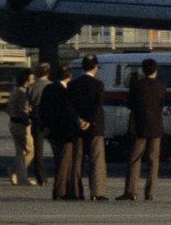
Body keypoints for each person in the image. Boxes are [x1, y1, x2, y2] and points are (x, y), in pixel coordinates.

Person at [121, 58, 165, 201]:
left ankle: (131, 191)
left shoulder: (136, 86)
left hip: (139, 126)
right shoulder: (161, 87)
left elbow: (130, 104)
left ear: (143, 70)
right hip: (156, 127)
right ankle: (150, 192)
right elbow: (161, 106)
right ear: (155, 71)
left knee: (135, 159)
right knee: (153, 161)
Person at [67, 55, 109, 201]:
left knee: (77, 161)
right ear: (95, 67)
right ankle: (97, 193)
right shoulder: (99, 85)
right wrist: (89, 121)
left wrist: (79, 120)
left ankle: (76, 192)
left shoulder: (73, 85)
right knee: (96, 161)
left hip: (77, 128)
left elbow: (70, 106)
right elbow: (98, 106)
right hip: (95, 128)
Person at [39, 63, 82, 201]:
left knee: (60, 159)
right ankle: (60, 191)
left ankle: (64, 188)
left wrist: (45, 126)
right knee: (65, 161)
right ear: (69, 76)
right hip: (65, 131)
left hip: (51, 131)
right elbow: (67, 112)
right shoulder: (67, 91)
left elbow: (42, 109)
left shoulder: (48, 89)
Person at [6, 68, 37, 187]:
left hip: (13, 124)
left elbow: (8, 109)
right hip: (22, 125)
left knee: (20, 152)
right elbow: (24, 109)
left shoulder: (14, 90)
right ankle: (17, 172)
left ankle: (20, 177)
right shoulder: (23, 92)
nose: (34, 80)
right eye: (32, 79)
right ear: (27, 80)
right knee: (31, 150)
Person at [26, 63, 50, 187]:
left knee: (38, 151)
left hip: (36, 118)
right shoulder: (51, 86)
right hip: (50, 119)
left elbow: (26, 107)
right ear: (48, 73)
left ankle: (41, 178)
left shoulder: (31, 87)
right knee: (57, 148)